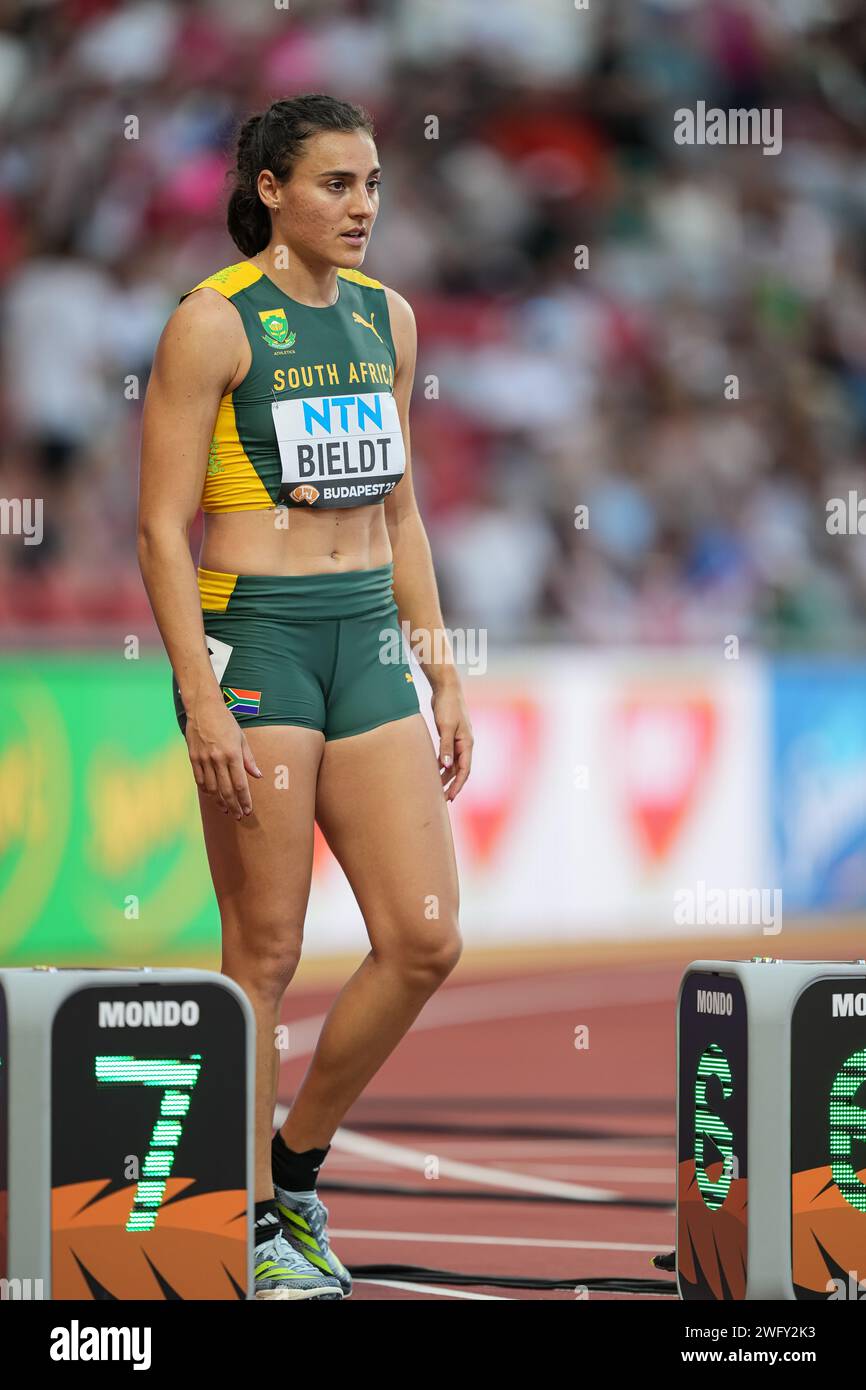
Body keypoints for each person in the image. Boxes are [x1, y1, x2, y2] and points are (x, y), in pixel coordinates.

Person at [137, 93, 472, 1300]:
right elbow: (159, 529)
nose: (363, 207)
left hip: (366, 637)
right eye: (336, 184)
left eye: (374, 184)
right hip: (259, 642)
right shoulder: (212, 323)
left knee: (424, 935)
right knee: (265, 948)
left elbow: (400, 510)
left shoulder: (390, 319)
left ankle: (292, 1170)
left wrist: (441, 664)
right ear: (269, 190)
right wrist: (201, 696)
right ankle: (238, 1218)